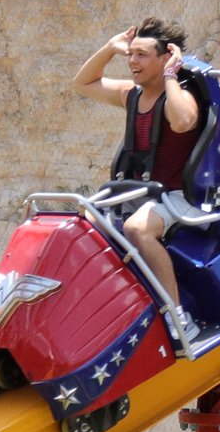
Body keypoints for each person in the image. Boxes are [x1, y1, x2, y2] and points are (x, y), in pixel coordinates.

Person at [71, 18, 201, 299]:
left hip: (178, 197)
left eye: (141, 55)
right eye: (131, 54)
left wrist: (170, 76)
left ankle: (176, 316)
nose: (132, 62)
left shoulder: (180, 96)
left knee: (137, 229)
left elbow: (182, 122)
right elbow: (83, 82)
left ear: (166, 57)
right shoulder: (130, 94)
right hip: (141, 193)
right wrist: (109, 48)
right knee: (80, 224)